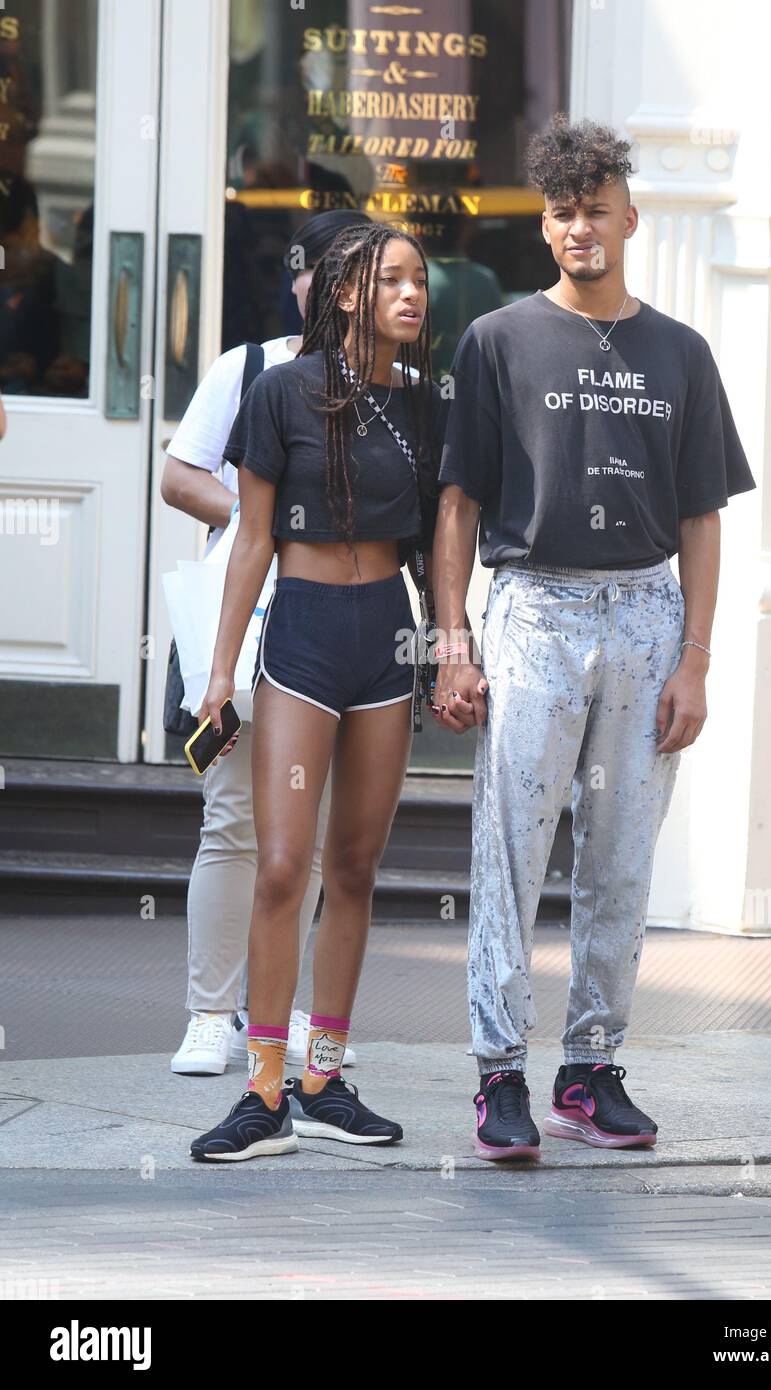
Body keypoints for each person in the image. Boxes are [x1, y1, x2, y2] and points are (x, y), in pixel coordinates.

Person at [431, 114, 756, 1161]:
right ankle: (497, 1076)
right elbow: (458, 503)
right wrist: (452, 640)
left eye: (596, 209)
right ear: (546, 224)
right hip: (533, 605)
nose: (581, 228)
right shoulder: (499, 341)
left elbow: (702, 514)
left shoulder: (680, 352)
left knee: (620, 858)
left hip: (645, 612)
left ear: (629, 214)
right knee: (511, 850)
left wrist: (696, 659)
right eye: (562, 212)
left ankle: (590, 1069)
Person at [189, 222, 451, 1160]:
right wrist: (221, 669)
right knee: (280, 864)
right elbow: (252, 536)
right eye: (392, 280)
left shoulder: (425, 406)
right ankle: (262, 1091)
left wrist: (451, 644)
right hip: (299, 636)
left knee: (354, 869)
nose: (412, 295)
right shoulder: (280, 391)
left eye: (420, 281)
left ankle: (324, 1079)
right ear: (346, 293)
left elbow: (442, 534)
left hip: (385, 638)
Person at [162, 210, 372, 1077]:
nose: (312, 288)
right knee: (236, 821)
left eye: (334, 273)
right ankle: (212, 1012)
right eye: (305, 272)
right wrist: (269, 525)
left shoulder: (386, 384)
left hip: (340, 628)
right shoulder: (247, 368)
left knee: (315, 835)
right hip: (247, 626)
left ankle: (275, 1013)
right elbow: (181, 475)